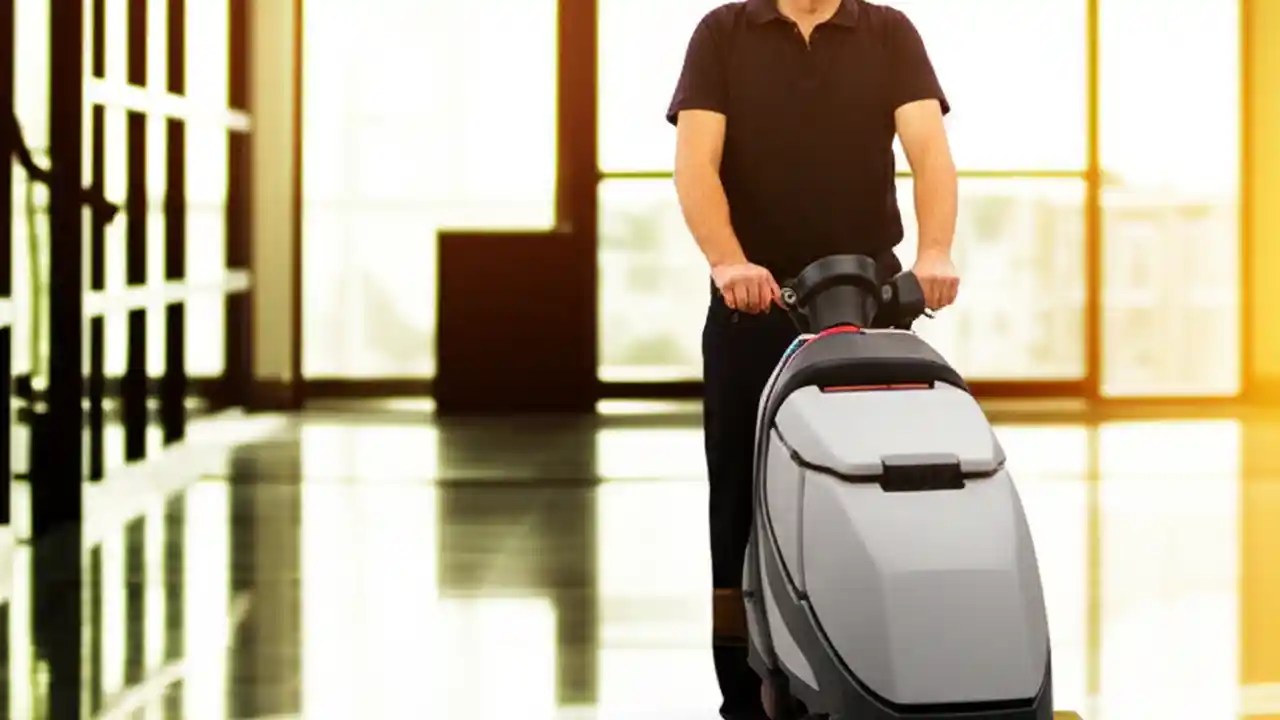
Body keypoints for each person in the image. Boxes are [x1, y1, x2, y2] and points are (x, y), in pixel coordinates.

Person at [666, 0, 959, 717]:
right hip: (754, 300)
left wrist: (934, 254)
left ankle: (883, 655)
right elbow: (696, 164)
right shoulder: (722, 33)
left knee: (888, 484)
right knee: (737, 492)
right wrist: (729, 263)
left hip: (869, 298)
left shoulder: (888, 31)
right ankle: (741, 689)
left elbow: (928, 150)